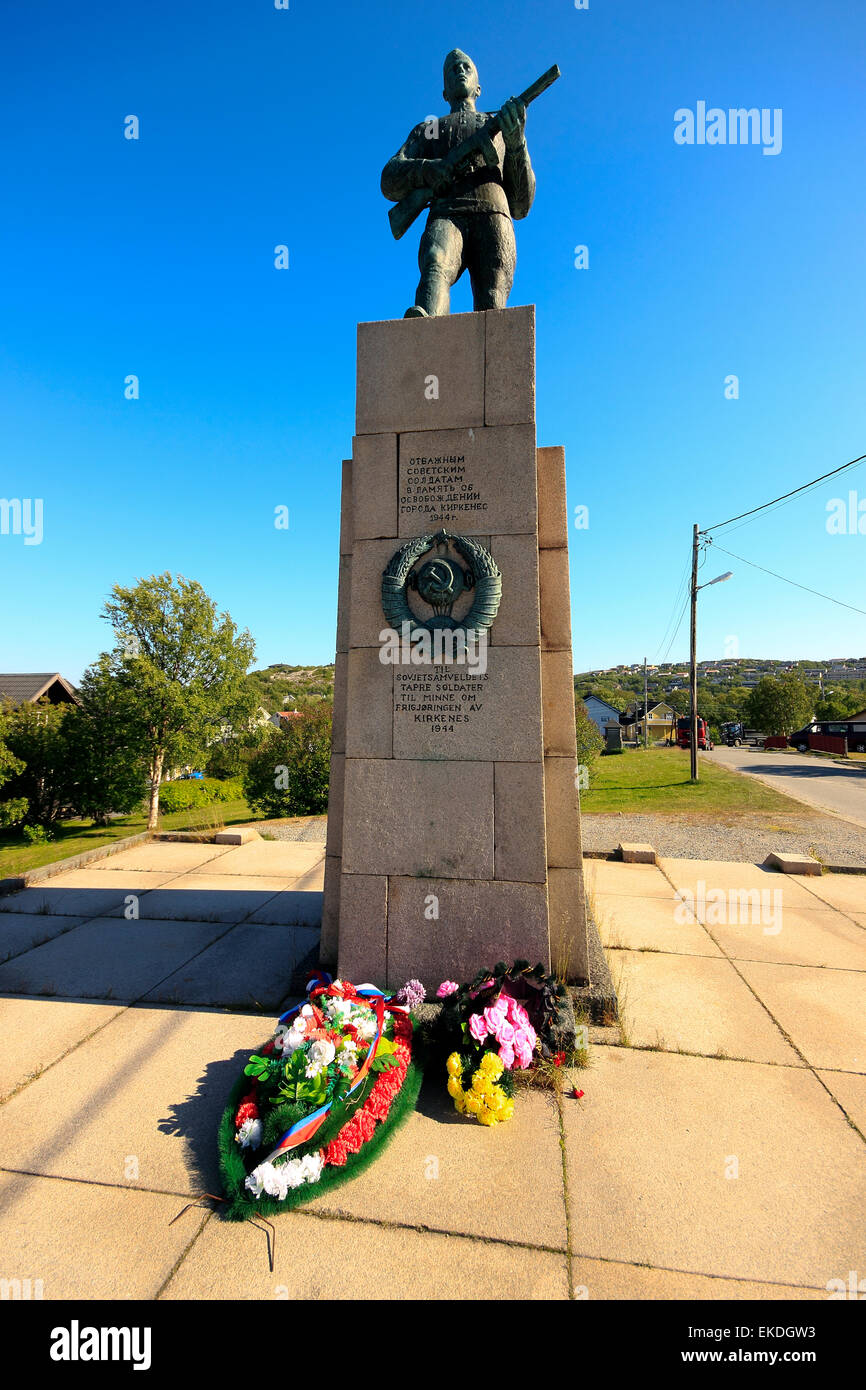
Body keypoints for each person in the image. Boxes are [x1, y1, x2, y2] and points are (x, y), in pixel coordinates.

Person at [381, 49, 536, 317]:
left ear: (479, 87)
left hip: (494, 213)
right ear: (444, 92)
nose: (459, 70)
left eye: (466, 66)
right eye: (452, 69)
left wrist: (516, 145)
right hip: (446, 213)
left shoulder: (499, 124)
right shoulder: (429, 128)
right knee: (435, 261)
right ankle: (423, 332)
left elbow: (521, 204)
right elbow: (389, 179)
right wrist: (429, 170)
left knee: (492, 295)